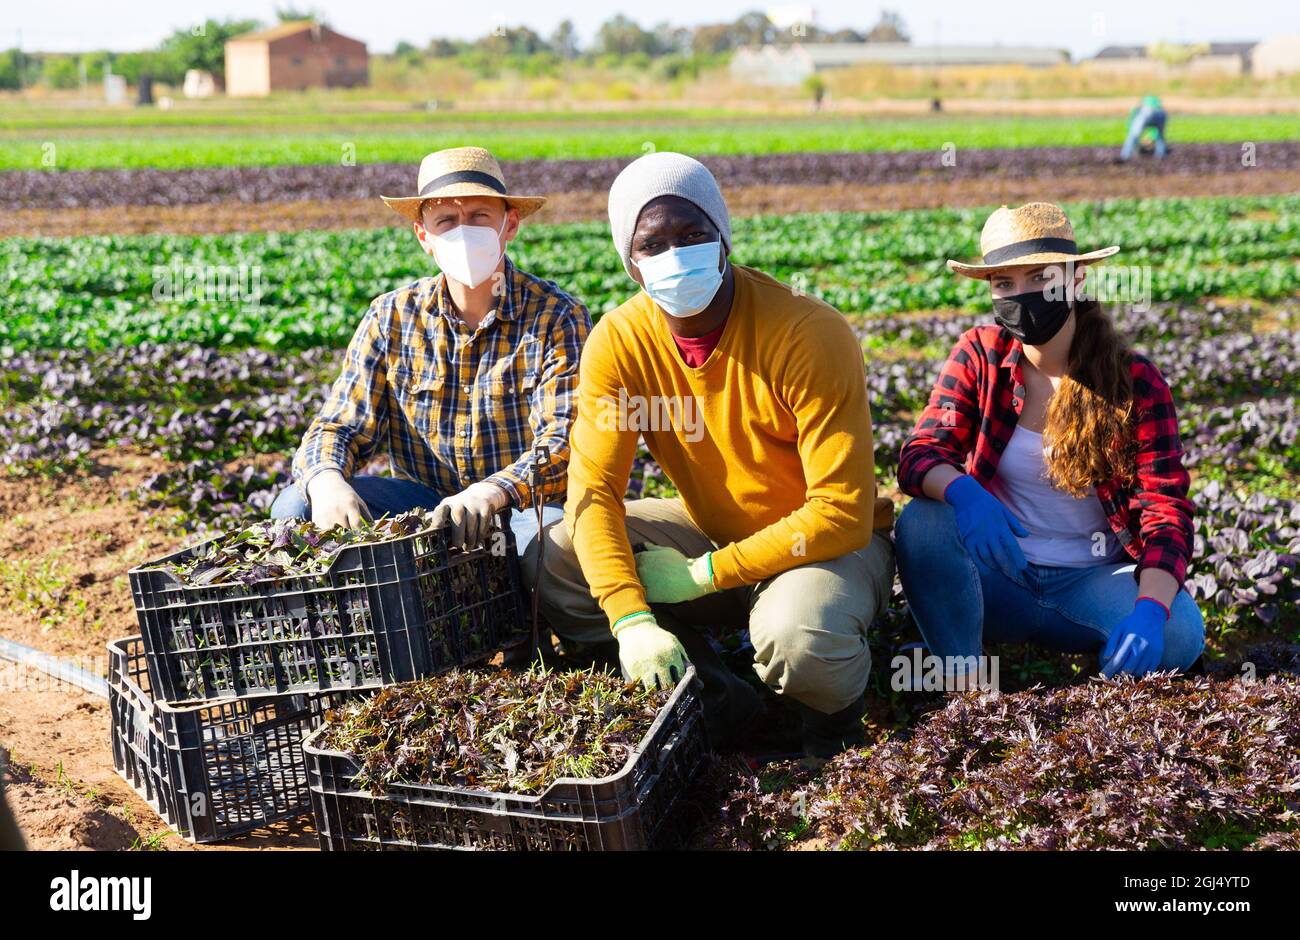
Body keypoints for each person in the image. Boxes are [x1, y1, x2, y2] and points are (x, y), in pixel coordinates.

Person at [533, 152, 895, 758]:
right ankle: (720, 699)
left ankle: (829, 732)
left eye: (693, 234)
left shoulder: (806, 333)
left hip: (825, 549)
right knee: (558, 556)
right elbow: (593, 492)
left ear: (724, 239)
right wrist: (631, 620)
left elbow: (840, 512)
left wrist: (703, 575)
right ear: (631, 263)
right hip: (712, 531)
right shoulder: (620, 344)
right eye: (654, 243)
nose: (676, 255)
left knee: (799, 634)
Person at [894, 202, 1204, 688]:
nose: (1023, 296)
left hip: (1094, 582)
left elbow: (1165, 509)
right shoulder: (981, 355)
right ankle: (965, 677)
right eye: (1004, 285)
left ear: (1075, 279)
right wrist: (965, 494)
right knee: (923, 523)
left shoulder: (1133, 381)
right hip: (1000, 575)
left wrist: (1149, 610)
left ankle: (1109, 675)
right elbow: (920, 454)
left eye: (1040, 277)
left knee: (1182, 631)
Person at [272, 147, 592, 561]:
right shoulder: (392, 316)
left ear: (508, 225)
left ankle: (531, 615)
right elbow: (339, 426)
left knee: (554, 548)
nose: (464, 231)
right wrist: (326, 480)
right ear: (424, 236)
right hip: (421, 506)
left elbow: (563, 440)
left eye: (479, 217)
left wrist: (492, 491)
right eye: (447, 221)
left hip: (522, 508)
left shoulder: (556, 316)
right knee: (295, 508)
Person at [1120, 95, 1169, 161]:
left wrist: (1141, 141)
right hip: (1161, 113)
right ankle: (1160, 155)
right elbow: (1156, 131)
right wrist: (1151, 137)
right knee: (1160, 136)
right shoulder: (1157, 105)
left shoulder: (1138, 110)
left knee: (1133, 135)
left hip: (1146, 112)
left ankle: (1125, 155)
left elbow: (1131, 126)